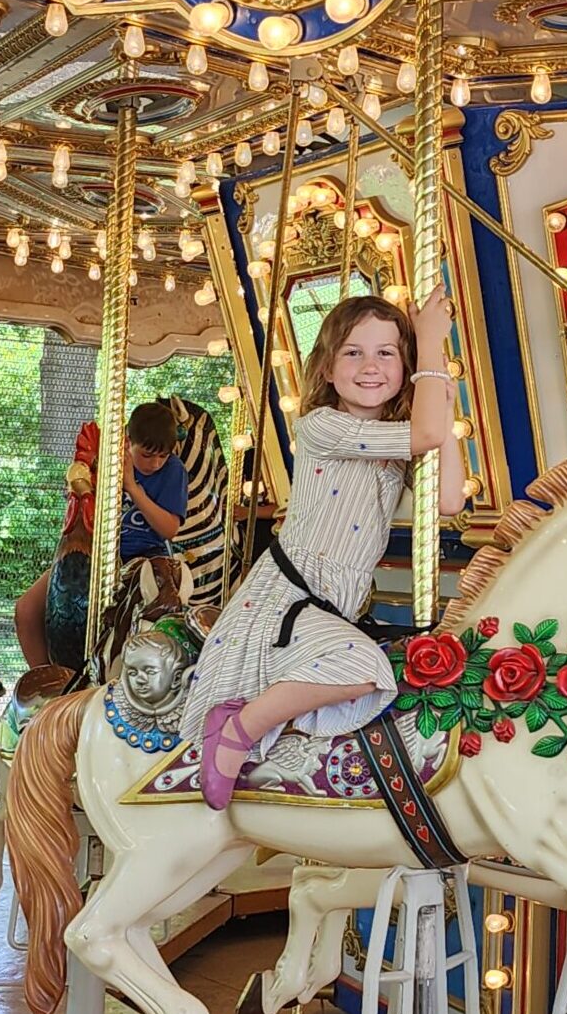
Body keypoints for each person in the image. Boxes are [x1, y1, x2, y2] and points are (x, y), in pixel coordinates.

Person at [180, 287, 466, 810]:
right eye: (353, 352)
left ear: (404, 369)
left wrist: (442, 398)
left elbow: (449, 499)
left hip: (334, 600)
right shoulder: (322, 426)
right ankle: (238, 728)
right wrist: (428, 345)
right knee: (364, 668)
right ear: (328, 369)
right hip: (291, 595)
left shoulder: (397, 439)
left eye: (387, 353)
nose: (370, 366)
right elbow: (424, 434)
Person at [13, 401, 190, 669]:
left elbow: (168, 529)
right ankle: (48, 682)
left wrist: (132, 487)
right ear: (128, 442)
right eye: (146, 455)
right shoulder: (108, 463)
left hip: (143, 559)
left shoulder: (173, 471)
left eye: (162, 456)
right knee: (27, 609)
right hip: (96, 557)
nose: (155, 464)